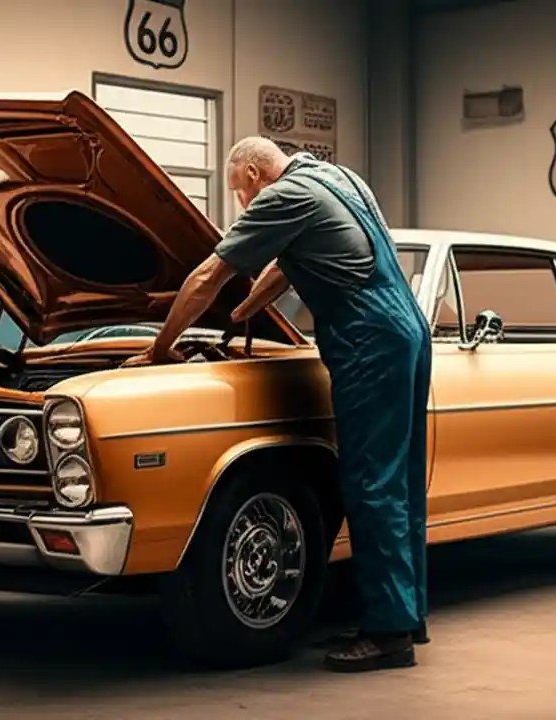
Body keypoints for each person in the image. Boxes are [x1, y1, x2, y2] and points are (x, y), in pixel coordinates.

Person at [123, 138, 432, 672]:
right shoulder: (340, 179)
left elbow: (205, 276)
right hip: (406, 330)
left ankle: (388, 635)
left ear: (251, 172)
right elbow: (285, 268)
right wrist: (243, 313)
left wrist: (159, 350)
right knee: (399, 479)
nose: (243, 204)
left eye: (239, 191)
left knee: (370, 483)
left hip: (367, 339)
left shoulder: (281, 196)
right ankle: (405, 615)